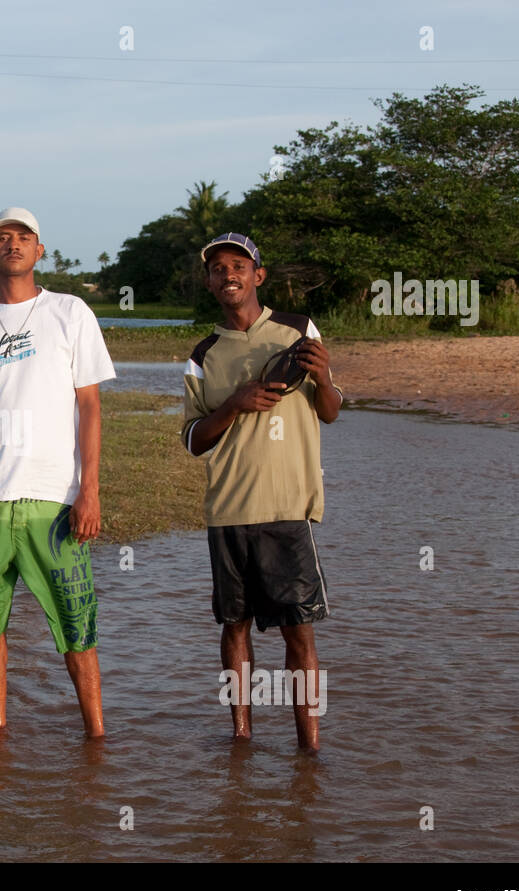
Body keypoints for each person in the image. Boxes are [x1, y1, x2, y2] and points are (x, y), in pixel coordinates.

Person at [0, 207, 115, 738]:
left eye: (24, 236)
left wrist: (90, 490)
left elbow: (90, 406)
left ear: (39, 250)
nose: (12, 244)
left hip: (54, 494)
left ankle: (97, 737)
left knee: (77, 622)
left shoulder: (70, 311)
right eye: (1, 237)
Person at [180, 232, 342, 752]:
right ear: (208, 281)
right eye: (218, 268)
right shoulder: (203, 353)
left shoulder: (298, 331)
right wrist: (234, 403)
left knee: (300, 633)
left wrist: (324, 378)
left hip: (288, 507)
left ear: (258, 275)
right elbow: (193, 440)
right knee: (234, 629)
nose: (228, 274)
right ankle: (241, 737)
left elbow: (331, 409)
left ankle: (309, 747)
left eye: (238, 265)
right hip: (227, 509)